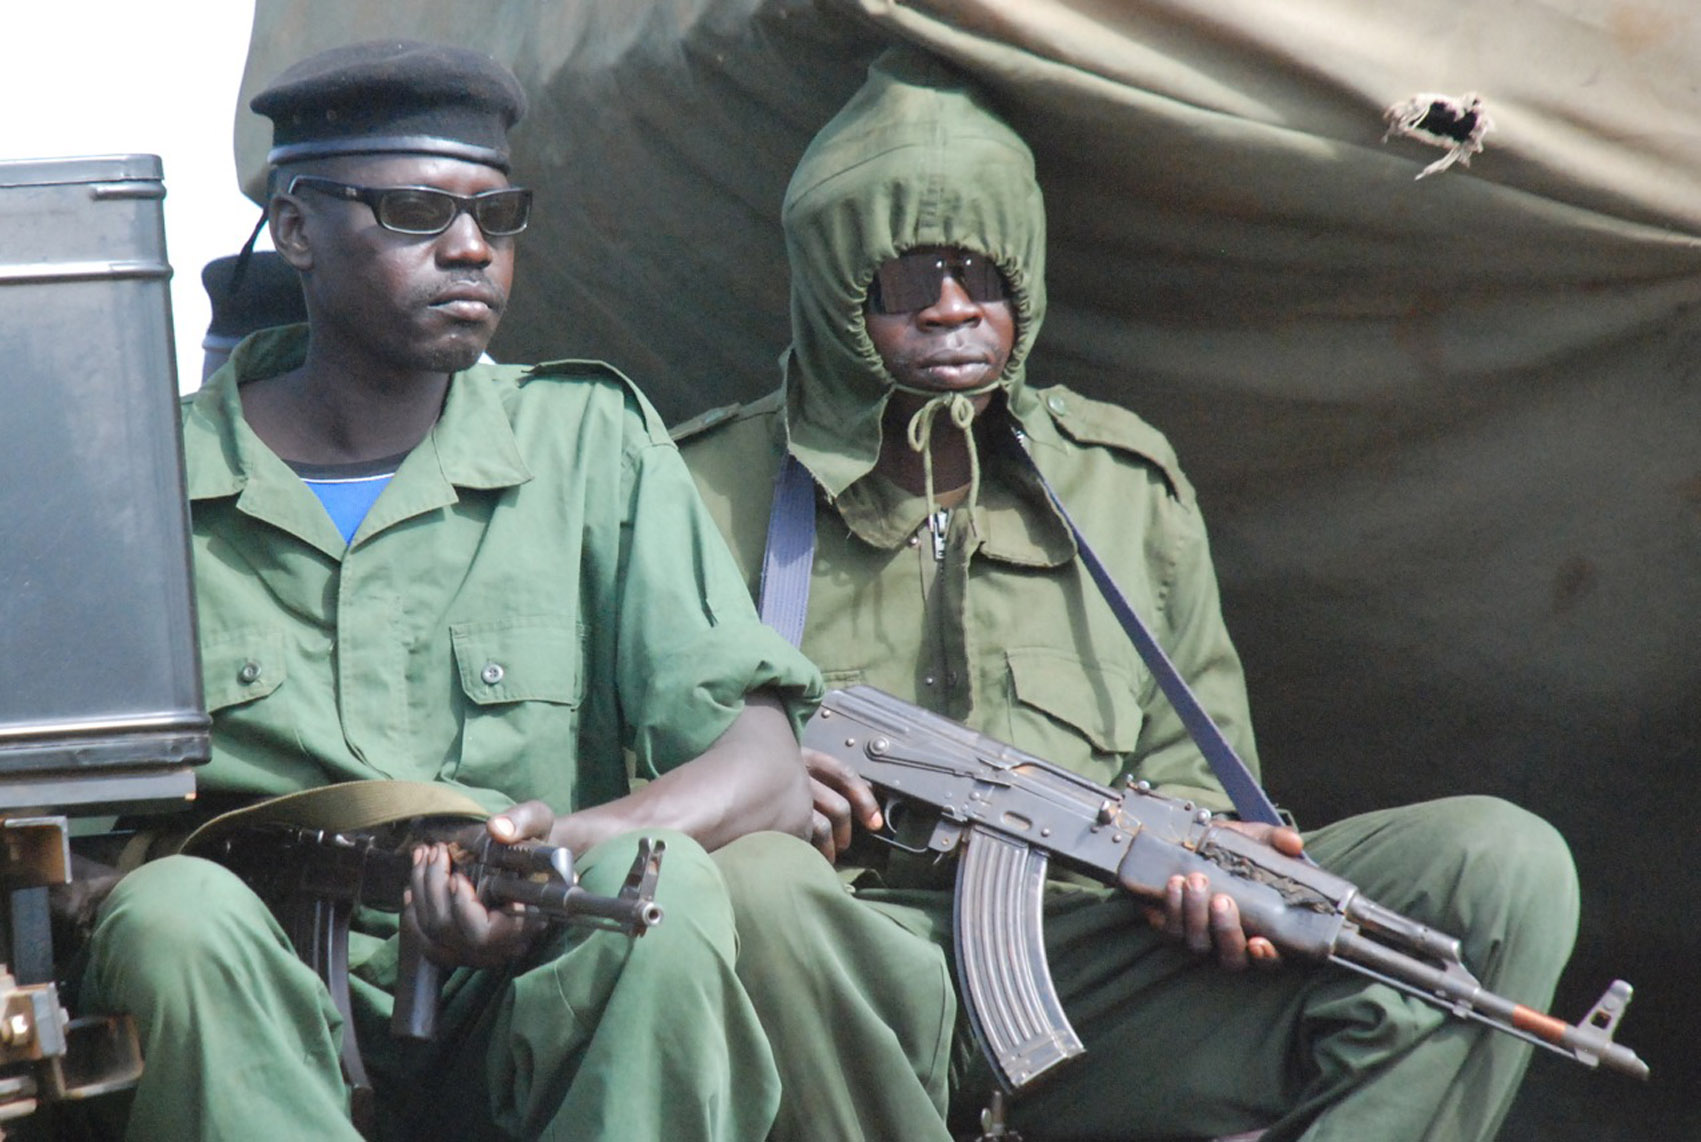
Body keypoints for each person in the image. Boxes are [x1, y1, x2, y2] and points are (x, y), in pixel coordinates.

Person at [676, 47, 1580, 1141]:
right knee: (762, 892)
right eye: (910, 280)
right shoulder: (702, 493)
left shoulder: (1118, 486)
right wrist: (752, 800)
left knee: (1500, 865)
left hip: (1092, 978)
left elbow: (1206, 787)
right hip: (834, 984)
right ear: (833, 291)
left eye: (985, 273)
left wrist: (1200, 878)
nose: (955, 309)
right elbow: (623, 785)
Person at [78, 40, 822, 1142]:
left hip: (521, 1012)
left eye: (497, 213)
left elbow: (764, 767)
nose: (472, 247)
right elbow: (57, 842)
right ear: (295, 231)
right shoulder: (138, 487)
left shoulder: (586, 445)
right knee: (171, 916)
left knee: (662, 891)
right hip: (252, 1022)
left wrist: (557, 853)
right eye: (418, 212)